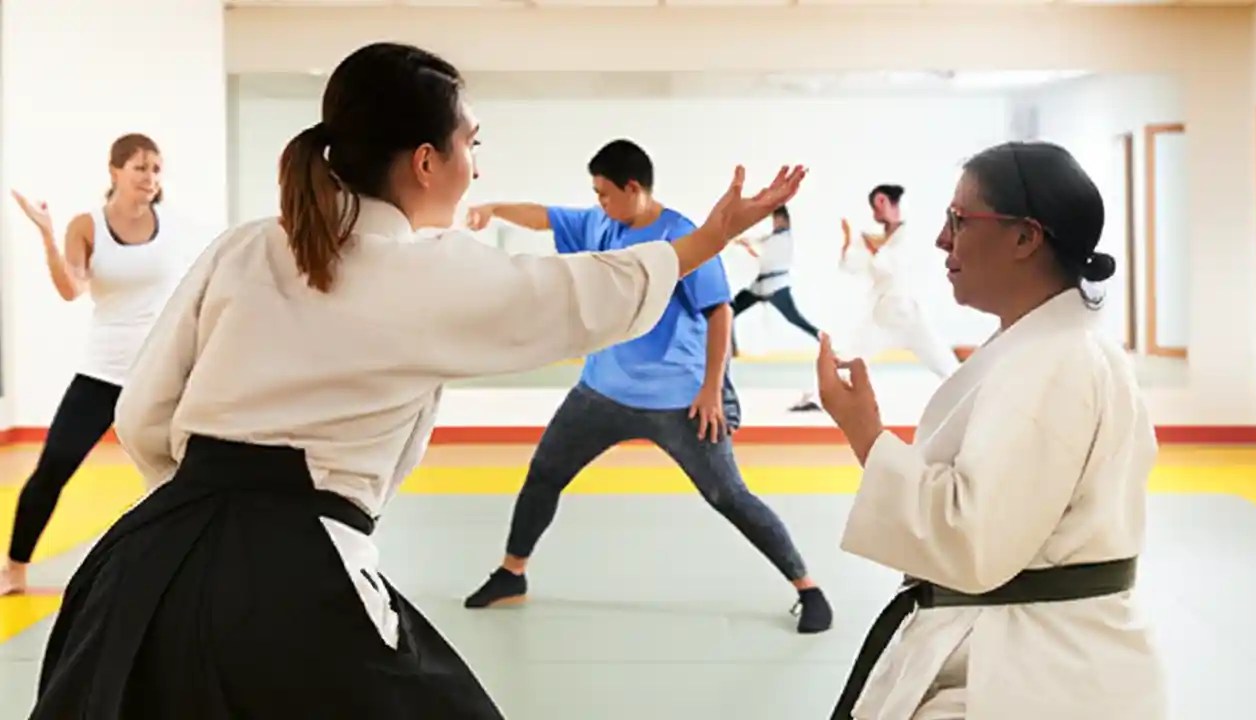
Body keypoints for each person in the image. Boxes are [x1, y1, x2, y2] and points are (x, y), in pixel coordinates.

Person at [27, 43, 807, 719]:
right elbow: (583, 295)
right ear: (427, 161)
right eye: (472, 142)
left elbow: (143, 413)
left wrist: (204, 507)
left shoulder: (247, 245)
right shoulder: (427, 272)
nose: (478, 164)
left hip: (140, 567)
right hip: (293, 580)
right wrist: (712, 236)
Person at [818, 142, 1166, 720]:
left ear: (1025, 237)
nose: (942, 240)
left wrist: (867, 436)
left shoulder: (1055, 362)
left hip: (1032, 669)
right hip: (1030, 646)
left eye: (959, 220)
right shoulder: (1047, 349)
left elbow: (975, 542)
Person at [462, 141, 834, 634]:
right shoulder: (601, 223)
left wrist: (710, 390)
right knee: (545, 473)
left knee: (728, 495)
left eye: (605, 193)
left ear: (633, 188)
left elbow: (719, 312)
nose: (599, 203)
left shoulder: (679, 236)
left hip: (677, 400)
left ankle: (808, 587)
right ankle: (512, 573)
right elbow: (544, 216)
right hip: (601, 391)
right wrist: (492, 209)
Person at [0, 133, 193, 597]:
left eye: (156, 169)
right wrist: (47, 235)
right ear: (115, 171)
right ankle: (14, 568)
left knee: (182, 474)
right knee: (54, 466)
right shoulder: (88, 225)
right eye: (140, 167)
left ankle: (183, 569)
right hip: (102, 372)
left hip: (159, 373)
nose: (150, 177)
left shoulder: (171, 224)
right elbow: (72, 288)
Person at [791, 184, 959, 412]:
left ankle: (970, 392)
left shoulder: (907, 236)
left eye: (876, 206)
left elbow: (892, 267)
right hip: (888, 310)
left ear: (884, 201)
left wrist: (874, 247)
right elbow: (852, 266)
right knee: (851, 353)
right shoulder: (876, 240)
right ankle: (816, 397)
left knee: (940, 358)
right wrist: (848, 242)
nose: (874, 213)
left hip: (903, 308)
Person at [728, 204, 822, 356]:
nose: (775, 223)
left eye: (776, 219)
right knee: (729, 310)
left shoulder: (783, 239)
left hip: (776, 286)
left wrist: (747, 245)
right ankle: (732, 350)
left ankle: (823, 339)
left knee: (794, 318)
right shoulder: (775, 237)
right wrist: (745, 243)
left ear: (784, 220)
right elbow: (760, 245)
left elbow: (762, 251)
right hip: (760, 286)